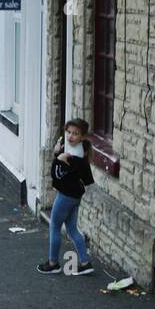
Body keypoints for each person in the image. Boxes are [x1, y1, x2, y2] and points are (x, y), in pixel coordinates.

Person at [38, 118, 96, 276]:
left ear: (82, 136)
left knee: (54, 226)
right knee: (71, 229)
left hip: (66, 196)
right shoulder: (79, 149)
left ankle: (53, 263)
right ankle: (85, 263)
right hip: (75, 196)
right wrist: (59, 152)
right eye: (68, 132)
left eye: (75, 134)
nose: (70, 136)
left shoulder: (72, 155)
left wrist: (58, 157)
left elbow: (56, 175)